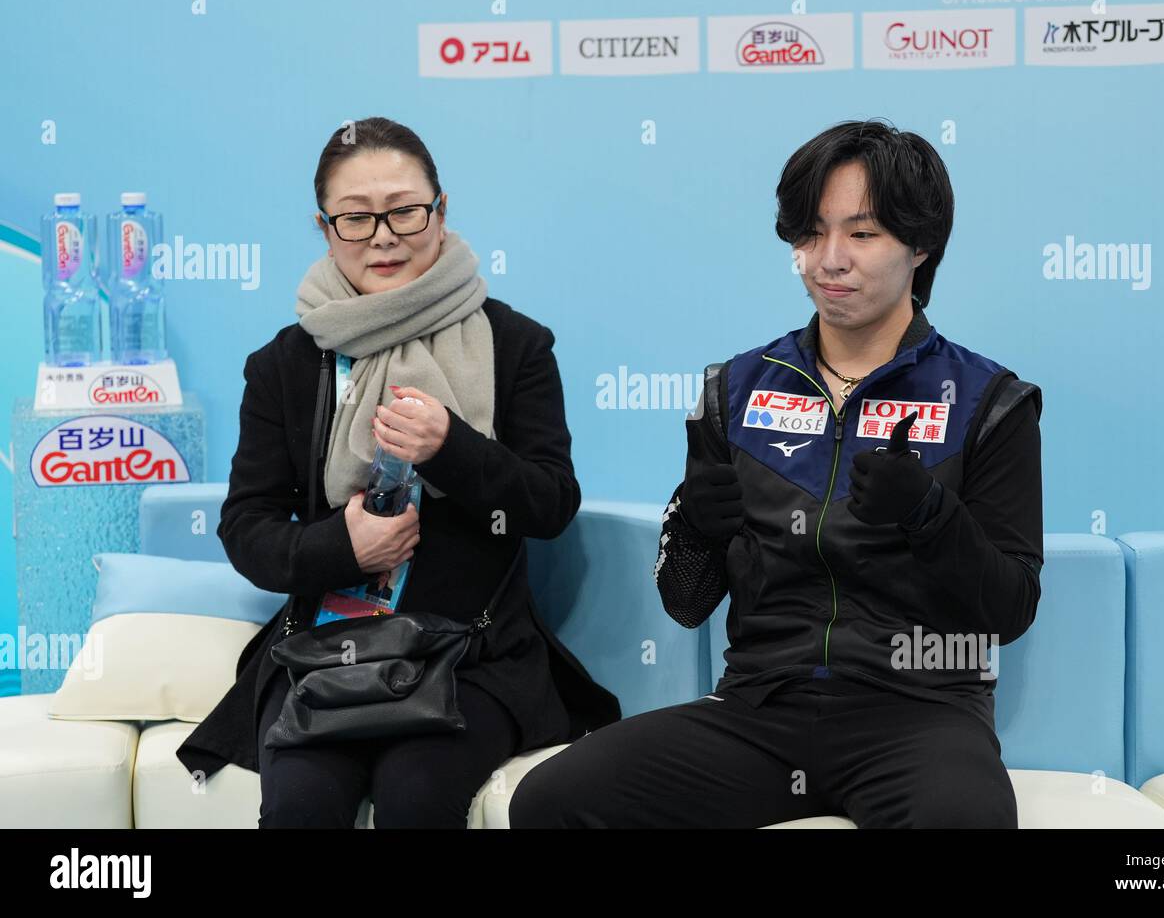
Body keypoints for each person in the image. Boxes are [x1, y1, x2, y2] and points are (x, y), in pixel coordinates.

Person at [509, 119, 1043, 828]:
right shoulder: (737, 391)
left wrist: (929, 515)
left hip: (923, 714)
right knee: (551, 800)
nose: (829, 260)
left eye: (862, 233)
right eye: (811, 234)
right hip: (761, 710)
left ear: (921, 245)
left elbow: (1009, 611)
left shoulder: (989, 402)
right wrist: (696, 529)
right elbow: (686, 601)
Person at [176, 116, 619, 827]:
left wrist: (453, 447)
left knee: (418, 796)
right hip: (322, 653)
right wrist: (340, 548)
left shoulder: (516, 344)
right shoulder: (287, 363)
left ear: (441, 213)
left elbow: (549, 504)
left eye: (404, 211)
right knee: (302, 805)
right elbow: (247, 529)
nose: (382, 236)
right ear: (325, 229)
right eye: (355, 218)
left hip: (472, 655)